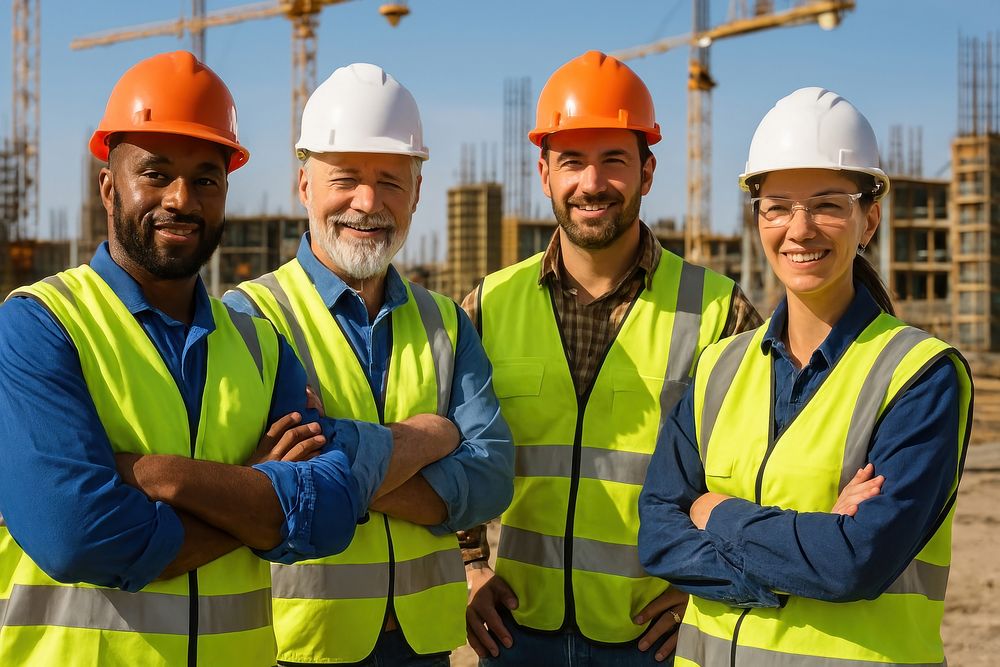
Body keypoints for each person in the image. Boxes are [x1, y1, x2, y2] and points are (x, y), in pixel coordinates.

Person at [0, 51, 456, 666]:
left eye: (206, 179)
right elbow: (77, 536)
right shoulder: (40, 325)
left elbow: (328, 512)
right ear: (109, 185)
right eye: (155, 174)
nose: (181, 199)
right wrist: (257, 494)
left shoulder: (258, 342)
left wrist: (166, 477)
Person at [637, 87, 973, 666]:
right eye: (777, 207)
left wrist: (715, 512)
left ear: (869, 219)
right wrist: (808, 544)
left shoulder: (919, 376)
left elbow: (854, 562)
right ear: (757, 219)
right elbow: (659, 536)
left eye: (827, 204)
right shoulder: (720, 368)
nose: (800, 229)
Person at [461, 50, 761, 665]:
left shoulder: (718, 311)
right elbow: (456, 454)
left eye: (614, 161)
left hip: (652, 639)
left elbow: (762, 469)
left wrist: (705, 586)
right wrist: (468, 567)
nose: (592, 184)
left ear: (648, 172)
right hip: (519, 631)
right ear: (543, 173)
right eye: (572, 162)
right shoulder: (488, 306)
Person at [223, 63, 514, 667]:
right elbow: (267, 488)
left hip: (425, 645)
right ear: (304, 185)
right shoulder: (251, 318)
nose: (367, 202)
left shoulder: (446, 322)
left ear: (417, 193)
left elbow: (490, 479)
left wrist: (336, 467)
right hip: (301, 644)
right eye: (346, 178)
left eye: (390, 180)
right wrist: (429, 437)